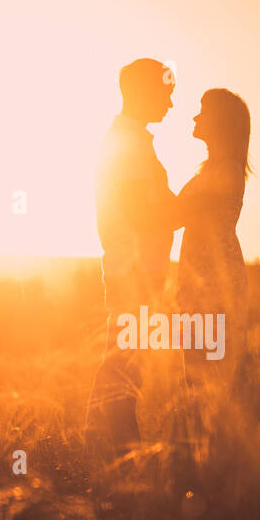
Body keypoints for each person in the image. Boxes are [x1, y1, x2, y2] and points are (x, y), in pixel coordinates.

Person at [85, 59, 178, 456]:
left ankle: (107, 446)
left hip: (138, 271)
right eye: (166, 93)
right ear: (144, 92)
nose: (171, 104)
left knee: (125, 364)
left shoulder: (129, 140)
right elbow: (140, 213)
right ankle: (120, 452)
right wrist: (196, 207)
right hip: (136, 273)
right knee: (126, 369)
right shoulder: (129, 144)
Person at [175, 89, 251, 386]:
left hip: (217, 289)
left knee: (211, 380)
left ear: (219, 121)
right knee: (199, 377)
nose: (196, 116)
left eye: (203, 111)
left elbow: (178, 213)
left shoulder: (227, 172)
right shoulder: (211, 171)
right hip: (199, 285)